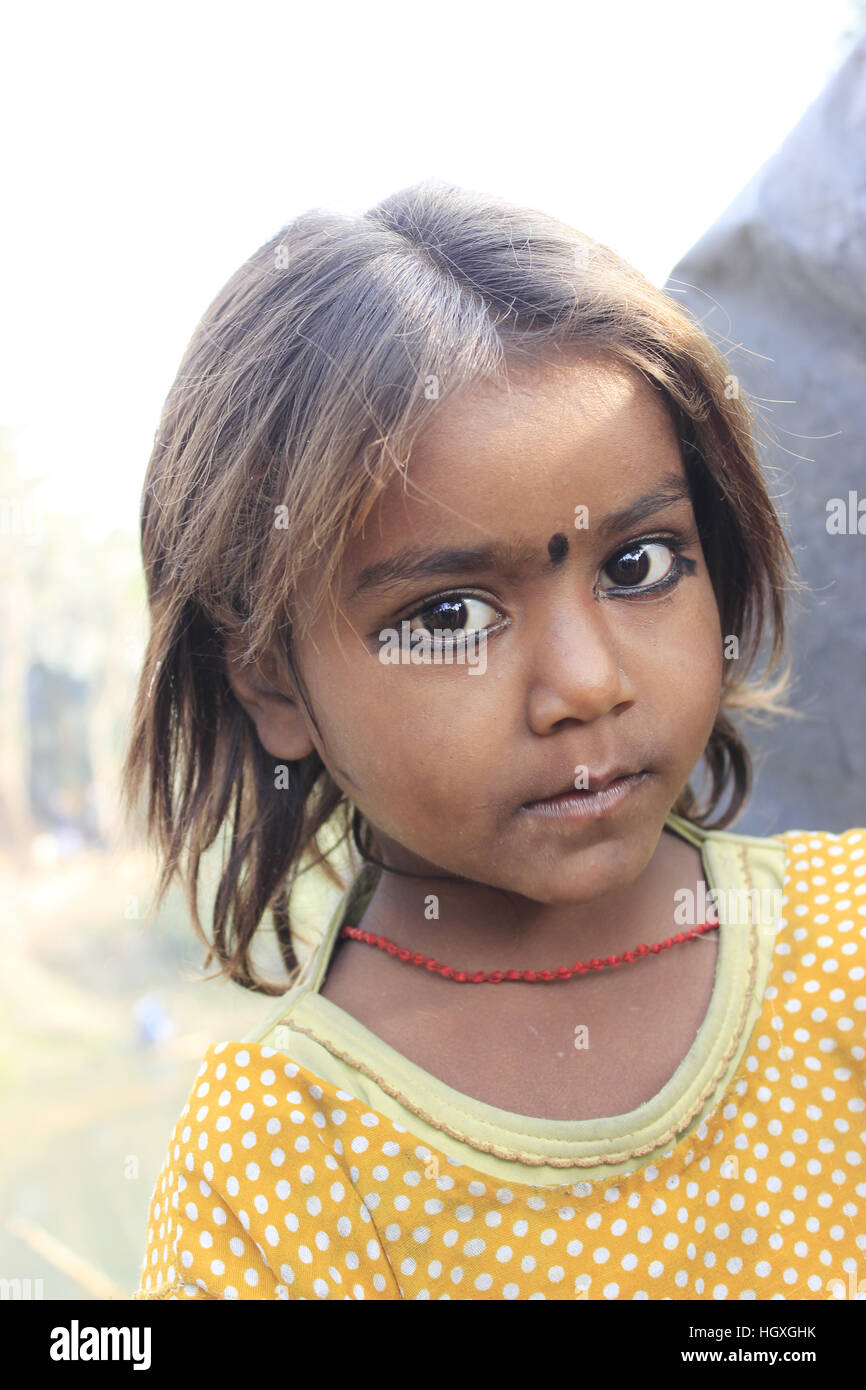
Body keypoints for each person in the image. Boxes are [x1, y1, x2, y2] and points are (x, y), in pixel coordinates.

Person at [123, 181, 864, 1301]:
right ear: (273, 679)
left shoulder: (845, 943)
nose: (585, 682)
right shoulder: (283, 1161)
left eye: (639, 565)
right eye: (449, 615)